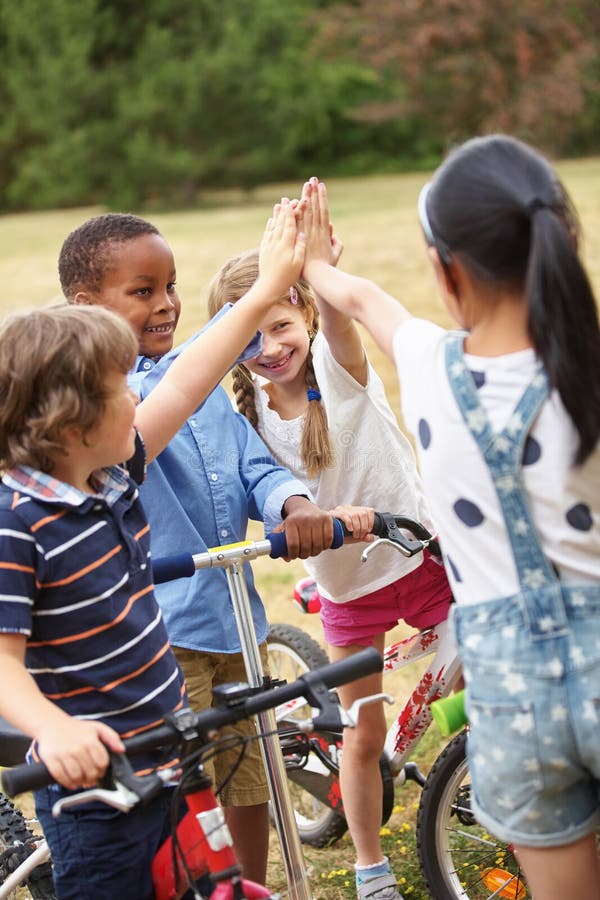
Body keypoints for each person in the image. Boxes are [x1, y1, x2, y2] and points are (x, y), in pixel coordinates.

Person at [294, 141, 600, 900]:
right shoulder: (586, 378)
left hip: (511, 696)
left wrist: (312, 267)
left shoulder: (432, 369)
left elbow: (366, 302)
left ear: (443, 269)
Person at [0, 206, 310, 900]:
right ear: (69, 420)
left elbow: (188, 378)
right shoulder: (15, 522)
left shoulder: (111, 481)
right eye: (120, 391)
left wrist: (266, 291)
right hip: (95, 791)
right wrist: (55, 730)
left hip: (171, 752)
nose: (136, 399)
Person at [207, 182, 453, 900]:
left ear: (306, 314)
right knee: (363, 736)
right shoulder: (245, 418)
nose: (268, 347)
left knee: (481, 676)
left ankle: (470, 782)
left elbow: (347, 320)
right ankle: (369, 863)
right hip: (349, 591)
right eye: (248, 337)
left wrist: (318, 264)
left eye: (280, 325)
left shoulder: (338, 370)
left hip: (420, 554)